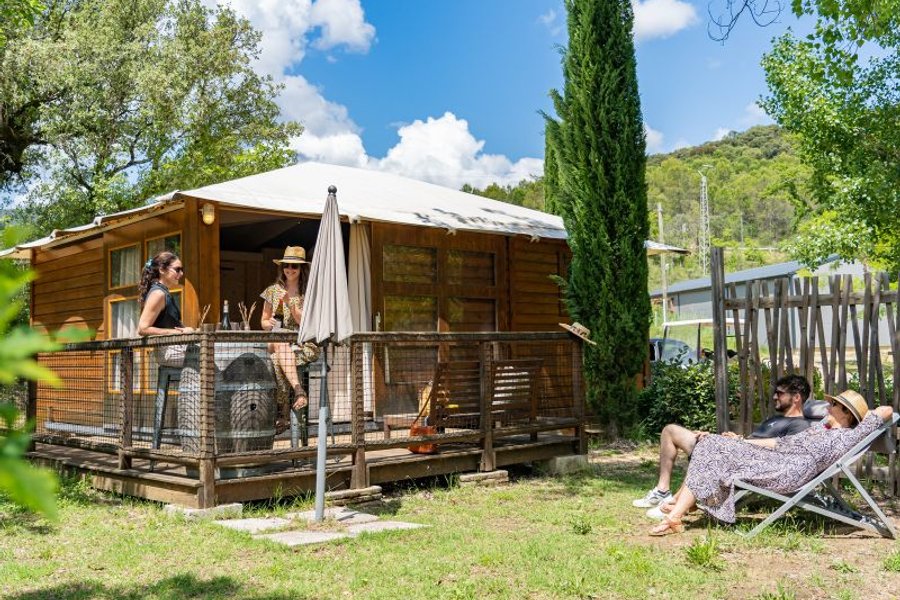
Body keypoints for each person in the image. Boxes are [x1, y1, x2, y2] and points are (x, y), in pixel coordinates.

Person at [648, 389, 894, 535]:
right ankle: (680, 511)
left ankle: (678, 511)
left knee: (715, 447)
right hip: (777, 459)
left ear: (848, 413)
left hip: (788, 472)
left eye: (835, 405)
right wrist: (742, 442)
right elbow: (780, 444)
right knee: (713, 443)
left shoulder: (849, 436)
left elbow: (886, 410)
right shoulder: (821, 428)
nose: (828, 406)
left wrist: (862, 417)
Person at [633, 374, 814, 515]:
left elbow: (780, 449)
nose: (775, 397)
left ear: (796, 397)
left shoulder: (801, 425)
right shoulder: (775, 420)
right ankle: (663, 491)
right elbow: (754, 442)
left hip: (747, 465)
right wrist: (733, 438)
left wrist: (734, 442)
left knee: (707, 447)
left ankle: (677, 504)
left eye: (780, 393)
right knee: (671, 430)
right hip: (733, 451)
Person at [260, 246, 311, 418]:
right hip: (275, 337)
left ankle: (282, 410)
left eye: (294, 266)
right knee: (279, 344)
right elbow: (263, 321)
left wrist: (290, 303)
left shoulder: (308, 293)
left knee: (277, 356)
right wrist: (269, 323)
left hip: (299, 341)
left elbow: (304, 322)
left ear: (301, 269)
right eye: (286, 265)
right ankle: (298, 391)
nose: (289, 269)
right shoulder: (272, 290)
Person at [138, 252, 194, 364]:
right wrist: (178, 333)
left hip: (176, 349)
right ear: (162, 270)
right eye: (177, 269)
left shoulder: (163, 292)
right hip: (169, 352)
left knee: (214, 354)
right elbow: (142, 328)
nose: (181, 273)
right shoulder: (158, 293)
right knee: (211, 358)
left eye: (182, 270)